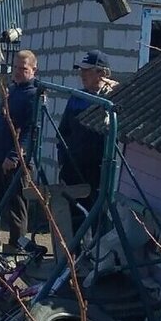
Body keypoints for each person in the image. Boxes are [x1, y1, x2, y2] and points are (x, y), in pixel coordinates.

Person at [55, 50, 118, 241]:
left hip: (99, 170)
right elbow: (63, 131)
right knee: (73, 213)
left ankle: (94, 257)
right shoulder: (77, 97)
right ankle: (72, 256)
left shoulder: (112, 99)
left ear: (101, 73)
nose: (82, 75)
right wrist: (63, 160)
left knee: (97, 215)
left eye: (87, 71)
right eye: (81, 71)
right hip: (74, 167)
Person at [0, 50, 39, 254]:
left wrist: (15, 156)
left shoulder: (33, 96)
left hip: (16, 163)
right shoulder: (13, 90)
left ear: (33, 70)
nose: (18, 72)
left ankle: (16, 249)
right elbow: (7, 119)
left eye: (23, 69)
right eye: (15, 68)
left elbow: (29, 130)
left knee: (16, 209)